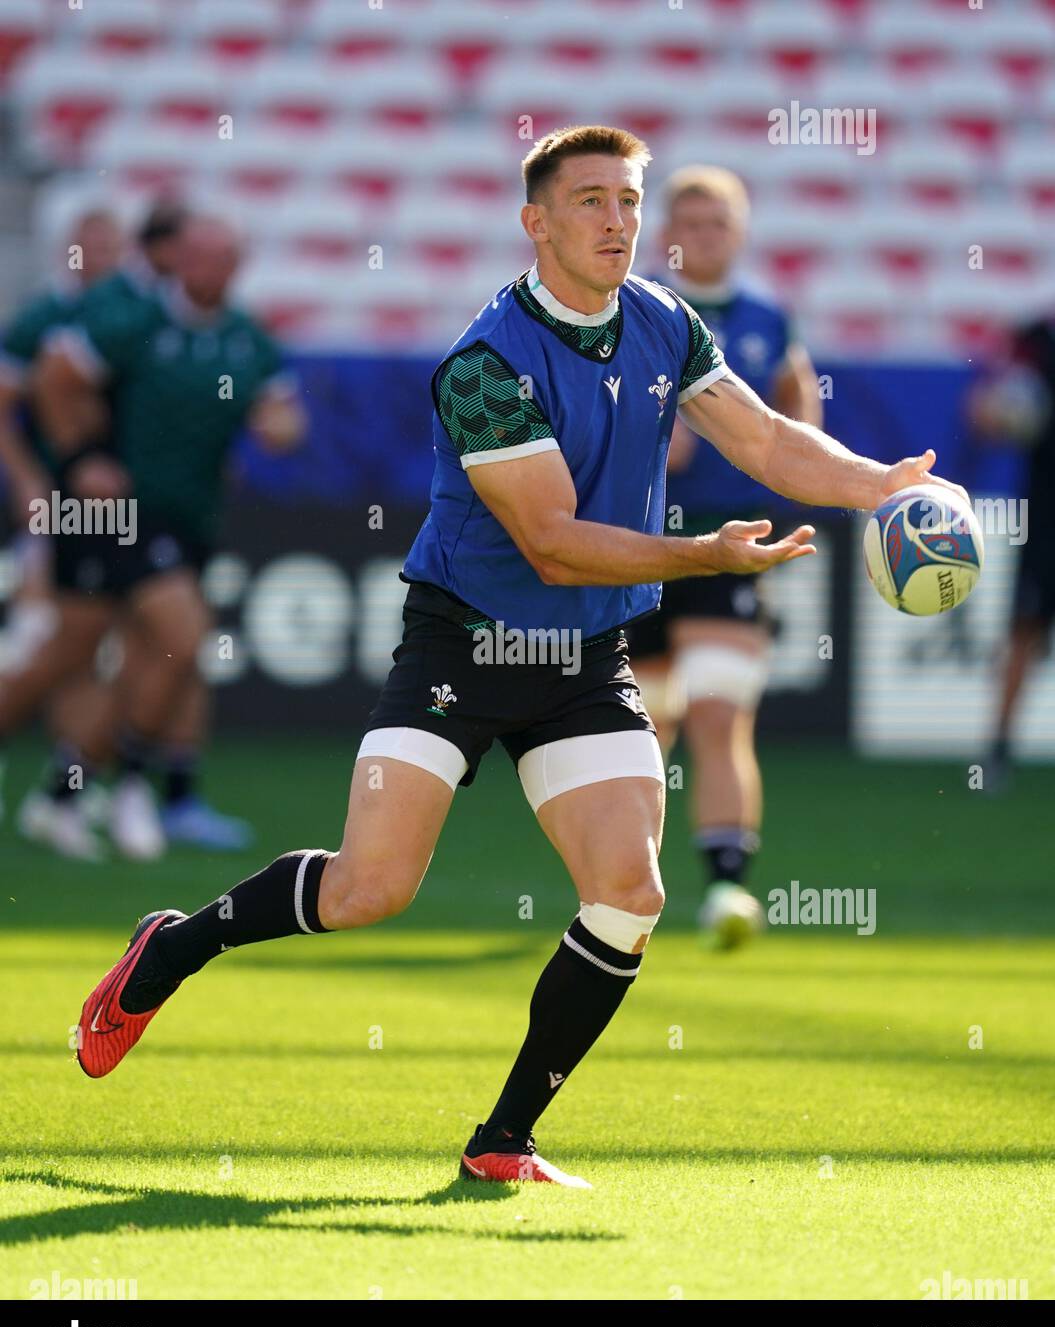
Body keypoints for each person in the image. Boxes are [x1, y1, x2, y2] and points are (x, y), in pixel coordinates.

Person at [75, 126, 966, 1188]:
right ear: (534, 221)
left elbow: (766, 440)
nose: (616, 222)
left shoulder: (663, 322)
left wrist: (879, 485)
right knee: (371, 890)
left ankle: (503, 1139)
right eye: (589, 201)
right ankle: (173, 947)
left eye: (628, 201)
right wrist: (702, 555)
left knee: (627, 892)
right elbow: (550, 542)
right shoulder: (485, 363)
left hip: (585, 658)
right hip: (464, 643)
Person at [0, 213, 304, 858]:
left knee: (88, 654)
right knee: (179, 635)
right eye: (190, 256)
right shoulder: (132, 318)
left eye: (215, 257)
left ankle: (63, 795)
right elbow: (54, 379)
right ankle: (134, 782)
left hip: (187, 518)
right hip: (117, 514)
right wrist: (79, 456)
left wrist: (278, 425)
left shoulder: (245, 338)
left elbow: (280, 410)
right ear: (170, 260)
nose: (200, 268)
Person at [627, 166, 822, 948]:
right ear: (667, 234)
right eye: (690, 223)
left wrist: (796, 467)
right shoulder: (632, 310)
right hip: (636, 543)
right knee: (640, 728)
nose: (703, 237)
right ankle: (624, 890)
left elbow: (796, 403)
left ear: (738, 234)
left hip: (729, 538)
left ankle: (726, 889)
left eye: (718, 224)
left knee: (716, 712)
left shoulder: (767, 318)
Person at [0, 208, 124, 852]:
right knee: (51, 640)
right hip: (61, 506)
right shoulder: (41, 318)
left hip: (116, 511)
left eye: (111, 242)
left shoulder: (129, 317)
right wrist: (26, 482)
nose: (101, 254)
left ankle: (68, 791)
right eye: (90, 242)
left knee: (91, 652)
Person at [970, 316, 1055, 787]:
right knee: (1024, 631)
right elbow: (982, 414)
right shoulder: (1035, 341)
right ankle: (998, 749)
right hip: (1046, 520)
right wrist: (1002, 410)